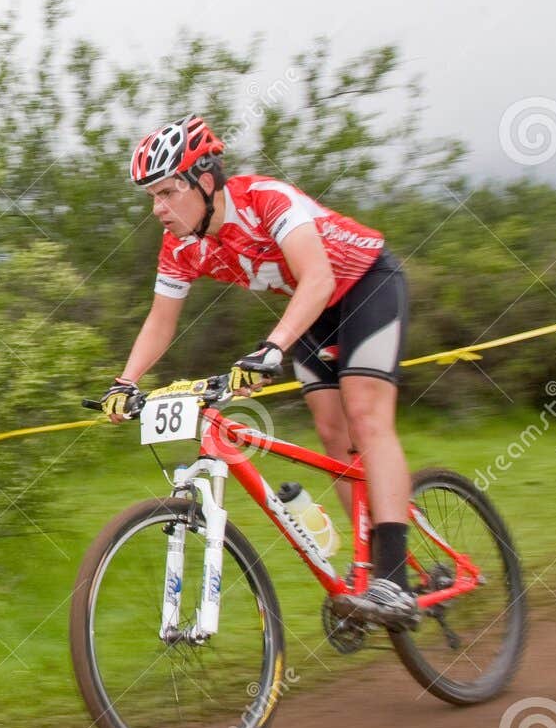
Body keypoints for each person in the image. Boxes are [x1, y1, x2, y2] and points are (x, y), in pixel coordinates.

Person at [100, 114, 420, 630]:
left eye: (165, 192)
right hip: (312, 310)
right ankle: (366, 574)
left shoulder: (266, 200)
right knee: (332, 437)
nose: (157, 209)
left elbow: (317, 277)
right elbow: (161, 322)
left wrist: (271, 348)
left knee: (366, 418)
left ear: (204, 182)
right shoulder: (180, 244)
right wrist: (125, 382)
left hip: (366, 287)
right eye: (151, 197)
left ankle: (395, 579)